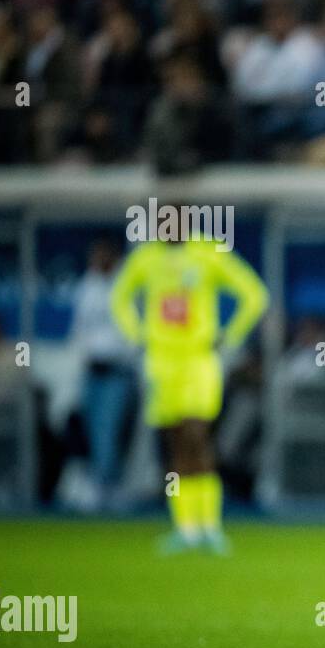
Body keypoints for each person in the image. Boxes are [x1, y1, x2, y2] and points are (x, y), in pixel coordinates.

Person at [110, 225, 268, 555]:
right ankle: (187, 528)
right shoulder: (146, 257)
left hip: (197, 361)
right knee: (175, 444)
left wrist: (230, 335)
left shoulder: (208, 252)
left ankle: (210, 525)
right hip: (161, 363)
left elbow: (254, 293)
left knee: (197, 436)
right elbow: (119, 297)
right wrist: (137, 334)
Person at [71, 237, 137, 509]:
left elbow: (133, 332)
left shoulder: (127, 284)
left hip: (117, 372)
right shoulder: (87, 285)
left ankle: (110, 489)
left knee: (108, 432)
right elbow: (80, 328)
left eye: (101, 255)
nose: (96, 259)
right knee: (91, 430)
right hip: (91, 371)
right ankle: (98, 487)